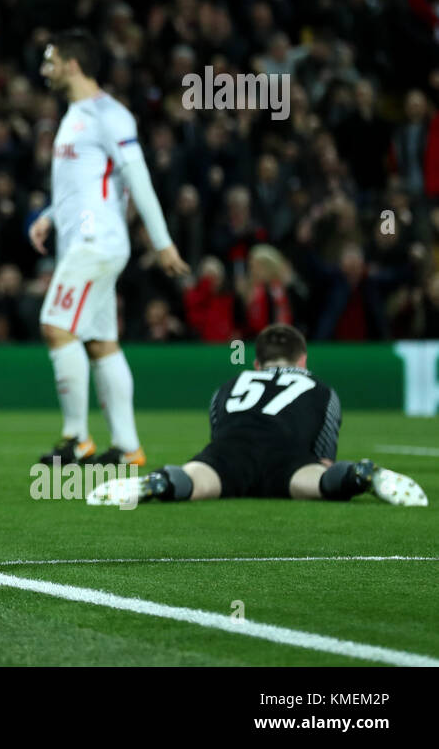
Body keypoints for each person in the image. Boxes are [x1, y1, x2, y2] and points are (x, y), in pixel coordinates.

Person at [29, 29, 188, 468]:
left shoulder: (108, 114)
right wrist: (48, 216)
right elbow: (86, 186)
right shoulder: (77, 114)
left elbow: (138, 180)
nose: (45, 70)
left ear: (73, 64)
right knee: (100, 342)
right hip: (84, 238)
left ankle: (77, 439)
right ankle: (129, 448)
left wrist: (163, 243)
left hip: (96, 243)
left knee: (55, 326)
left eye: (51, 60)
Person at [89, 324, 427, 506]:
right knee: (319, 481)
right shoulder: (322, 388)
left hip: (231, 454)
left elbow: (219, 436)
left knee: (198, 477)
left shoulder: (232, 382)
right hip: (287, 457)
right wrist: (324, 467)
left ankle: (161, 482)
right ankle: (359, 475)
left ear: (256, 364)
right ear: (302, 362)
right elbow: (324, 454)